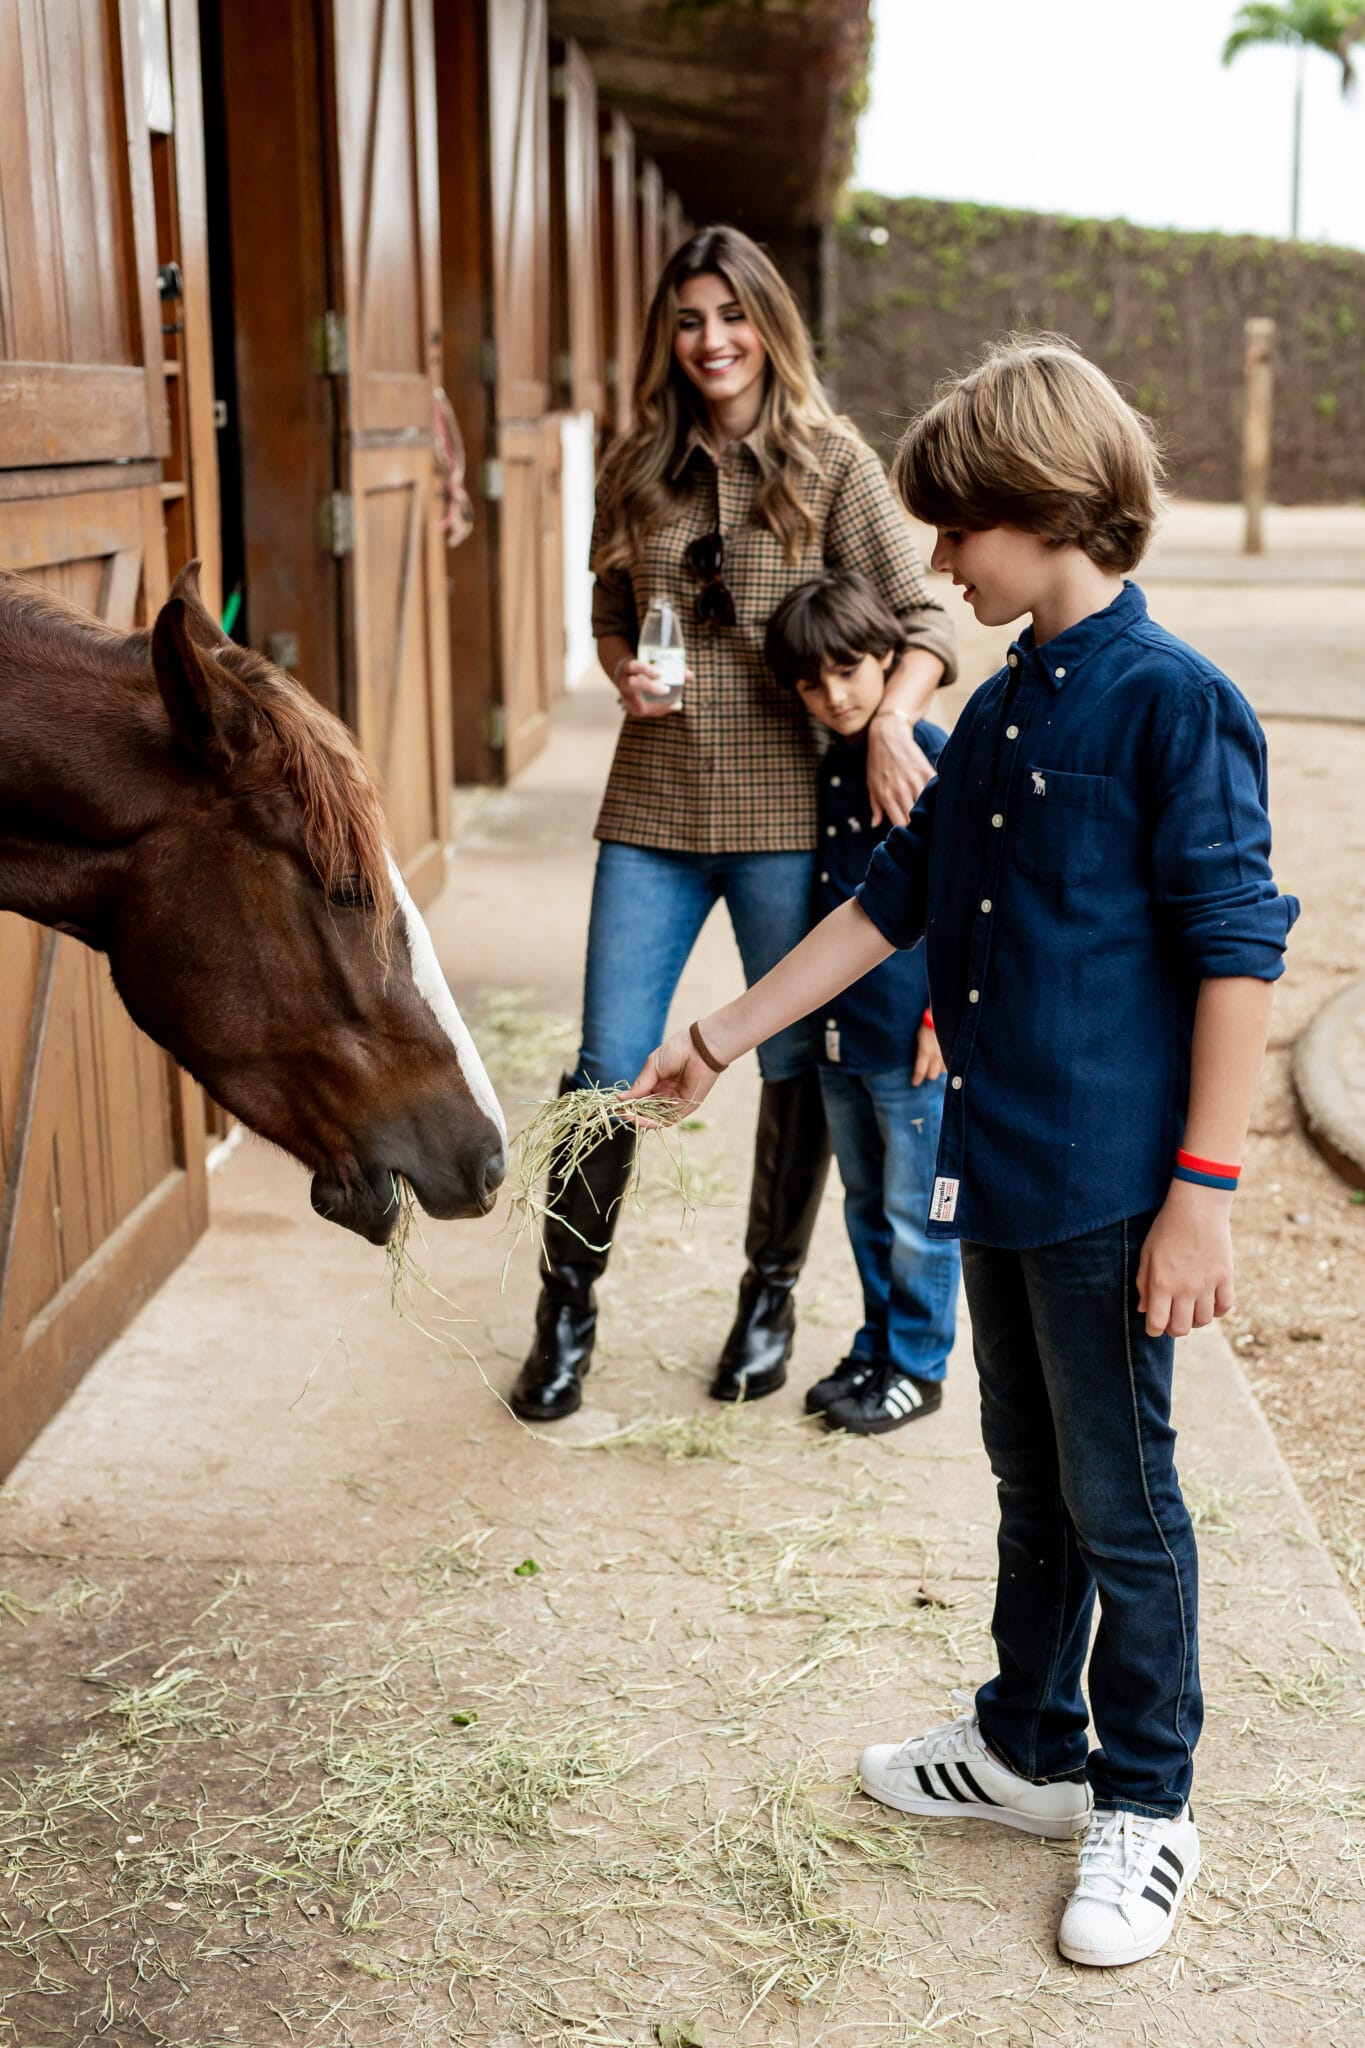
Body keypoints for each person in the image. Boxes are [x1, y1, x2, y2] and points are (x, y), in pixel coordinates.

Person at [626, 336, 1298, 1968]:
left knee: (1122, 1497)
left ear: (1040, 508)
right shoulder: (997, 712)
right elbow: (885, 905)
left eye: (954, 531)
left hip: (1113, 1191)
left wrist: (1200, 1197)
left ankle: (1148, 1795)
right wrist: (719, 1032)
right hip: (994, 1172)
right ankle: (1027, 1742)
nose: (935, 560)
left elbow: (1236, 957)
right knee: (1028, 1479)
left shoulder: (1179, 707)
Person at [511, 225, 956, 1424]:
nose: (712, 340)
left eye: (733, 314)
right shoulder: (639, 462)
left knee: (791, 1059)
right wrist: (619, 670)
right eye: (691, 318)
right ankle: (566, 1312)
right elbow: (610, 608)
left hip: (785, 816)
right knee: (605, 1069)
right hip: (652, 802)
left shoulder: (834, 460)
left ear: (770, 323)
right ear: (671, 334)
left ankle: (768, 1300)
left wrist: (889, 724)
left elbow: (923, 618)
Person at [763, 572, 959, 1433]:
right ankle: (878, 1343)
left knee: (918, 1216)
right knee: (864, 1203)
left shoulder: (927, 753)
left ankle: (918, 1365)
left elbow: (972, 899)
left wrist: (942, 1020)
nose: (834, 695)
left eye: (849, 670)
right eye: (812, 683)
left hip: (912, 1038)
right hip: (841, 1036)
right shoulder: (831, 764)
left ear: (889, 659)